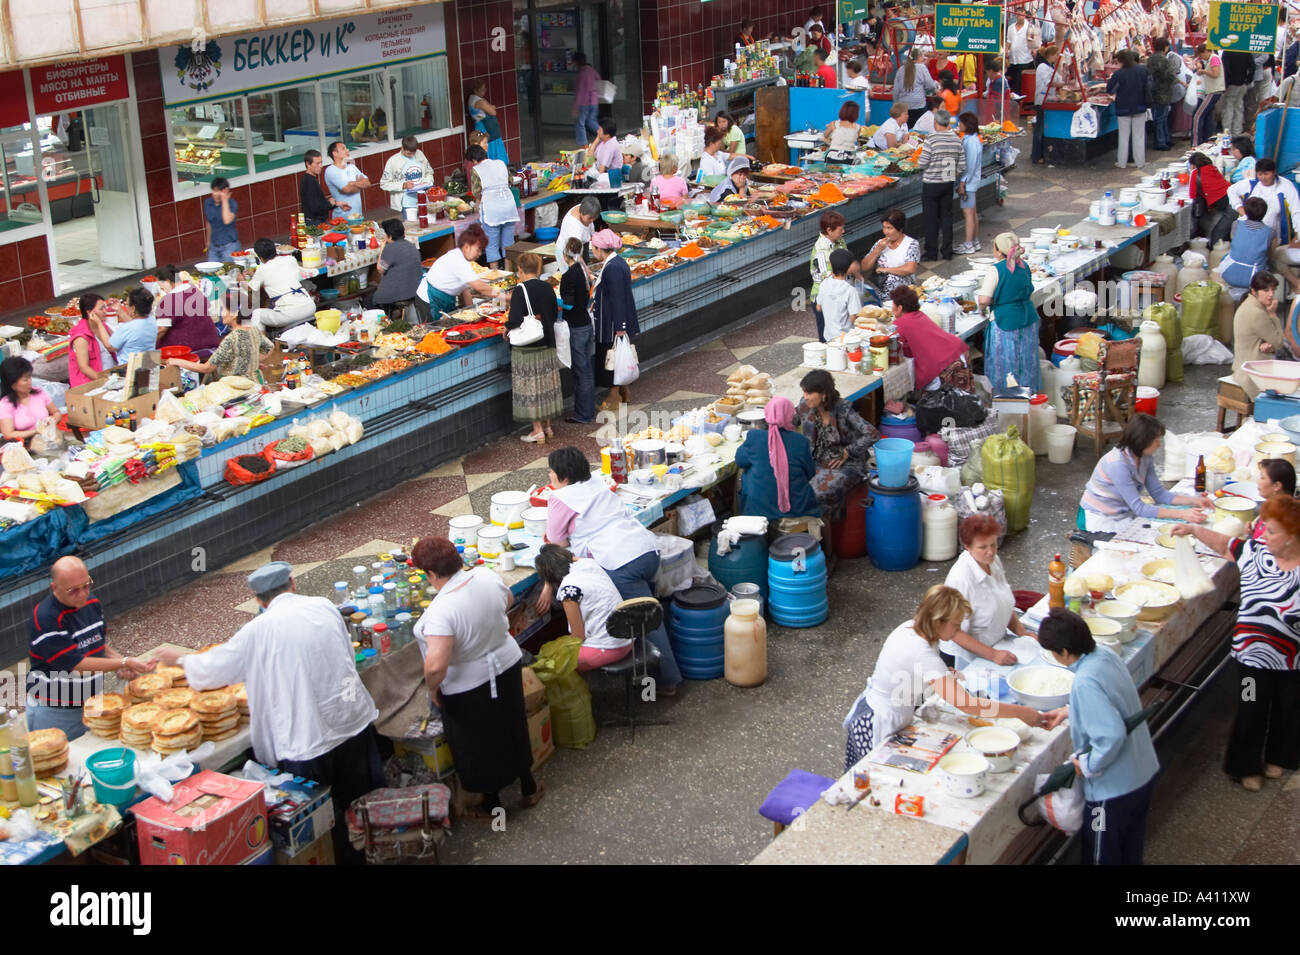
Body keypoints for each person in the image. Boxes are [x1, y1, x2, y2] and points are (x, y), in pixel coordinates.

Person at [158, 562, 383, 864]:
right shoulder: (323, 605)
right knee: (364, 803)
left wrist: (181, 660)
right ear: (292, 582)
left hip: (307, 741)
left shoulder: (257, 631)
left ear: (257, 599)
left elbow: (213, 670)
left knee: (321, 822)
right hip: (351, 720)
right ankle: (378, 851)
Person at [843, 585, 1063, 769]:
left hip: (874, 710)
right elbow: (967, 704)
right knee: (868, 782)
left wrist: (941, 677)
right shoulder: (923, 652)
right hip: (877, 723)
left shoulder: (909, 628)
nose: (959, 630)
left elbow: (904, 672)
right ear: (938, 622)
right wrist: (1020, 712)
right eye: (956, 625)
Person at [410, 537, 543, 820]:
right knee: (512, 726)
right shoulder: (485, 576)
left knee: (478, 743)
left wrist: (433, 690)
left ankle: (492, 805)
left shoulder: (441, 611)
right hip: (506, 663)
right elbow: (507, 600)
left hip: (469, 685)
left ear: (431, 574)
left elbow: (436, 665)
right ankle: (528, 786)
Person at [1177, 498, 1300, 792]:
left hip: (1293, 661)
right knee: (1251, 709)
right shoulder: (1256, 553)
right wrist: (1193, 529)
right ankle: (1245, 766)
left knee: (1289, 709)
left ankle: (1277, 757)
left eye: (1271, 532)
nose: (1264, 536)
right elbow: (1224, 544)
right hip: (1250, 658)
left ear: (1292, 536)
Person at [544, 446, 682, 692]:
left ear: (563, 477)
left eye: (551, 473)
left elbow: (557, 542)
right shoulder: (597, 482)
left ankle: (668, 681)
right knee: (652, 610)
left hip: (621, 562)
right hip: (647, 550)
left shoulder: (561, 498)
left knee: (645, 621)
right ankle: (652, 668)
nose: (550, 477)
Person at [1038, 608, 1160, 864]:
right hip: (1143, 771)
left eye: (1053, 651)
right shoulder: (1104, 654)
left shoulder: (1084, 682)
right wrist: (1071, 709)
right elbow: (1113, 699)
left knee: (1101, 858)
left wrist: (1087, 765)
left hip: (1113, 791)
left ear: (1064, 652)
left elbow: (1111, 735)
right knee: (1129, 852)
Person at [27, 556, 153, 739]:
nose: (82, 594)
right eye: (73, 590)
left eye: (86, 585)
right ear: (55, 588)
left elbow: (98, 644)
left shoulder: (92, 603)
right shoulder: (46, 619)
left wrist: (122, 663)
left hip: (91, 701)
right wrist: (123, 662)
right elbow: (76, 664)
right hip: (56, 710)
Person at [1079, 413, 1214, 532]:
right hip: (1099, 516)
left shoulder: (1144, 457)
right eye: (1156, 441)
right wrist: (1182, 514)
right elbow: (1140, 508)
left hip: (1123, 512)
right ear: (1142, 441)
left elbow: (1159, 494)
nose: (1159, 445)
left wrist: (1195, 501)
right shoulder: (1117, 464)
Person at [941, 515, 1033, 668]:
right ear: (967, 547)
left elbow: (1002, 601)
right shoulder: (960, 579)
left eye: (993, 544)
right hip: (965, 658)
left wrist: (1022, 632)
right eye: (983, 547)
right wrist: (993, 655)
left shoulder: (992, 560)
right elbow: (954, 632)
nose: (990, 552)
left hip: (996, 644)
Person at [795, 368, 880, 520]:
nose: (805, 397)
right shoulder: (805, 406)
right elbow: (789, 420)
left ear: (824, 394)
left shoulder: (844, 409)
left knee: (814, 493)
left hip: (846, 465)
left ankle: (823, 530)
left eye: (809, 393)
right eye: (804, 392)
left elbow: (872, 434)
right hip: (815, 461)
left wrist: (848, 451)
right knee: (791, 487)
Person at [535, 544, 632, 671]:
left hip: (610, 648)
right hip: (627, 637)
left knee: (554, 665)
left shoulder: (568, 591)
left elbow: (578, 637)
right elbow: (573, 558)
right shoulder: (589, 564)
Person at [506, 253, 562, 444]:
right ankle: (548, 427)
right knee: (546, 387)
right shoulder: (547, 287)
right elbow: (554, 313)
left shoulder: (520, 290)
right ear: (538, 269)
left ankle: (537, 430)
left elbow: (514, 319)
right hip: (547, 343)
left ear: (520, 269)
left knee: (531, 390)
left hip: (528, 349)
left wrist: (506, 329)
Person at [735, 396, 820, 520]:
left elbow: (740, 461)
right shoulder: (800, 441)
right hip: (799, 508)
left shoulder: (754, 436)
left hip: (759, 511)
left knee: (746, 472)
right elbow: (810, 473)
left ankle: (738, 515)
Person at [976, 232, 1041, 393]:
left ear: (998, 251)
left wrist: (988, 304)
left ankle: (1007, 399)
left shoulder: (996, 270)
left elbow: (984, 299)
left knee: (1005, 365)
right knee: (1026, 361)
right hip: (1027, 318)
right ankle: (1028, 396)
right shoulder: (1023, 265)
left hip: (1006, 321)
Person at [1227, 158, 1300, 284]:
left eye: (1266, 174)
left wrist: (1298, 236)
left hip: (1272, 236)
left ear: (1274, 172)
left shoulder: (1285, 186)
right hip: (1249, 233)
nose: (1263, 178)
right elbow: (1231, 190)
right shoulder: (1251, 183)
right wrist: (1240, 208)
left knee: (1272, 258)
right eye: (1260, 174)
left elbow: (1296, 211)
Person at [167, 295, 272, 380]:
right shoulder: (253, 330)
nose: (221, 314)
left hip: (237, 388)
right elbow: (269, 347)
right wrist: (252, 362)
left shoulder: (231, 339)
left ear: (234, 314)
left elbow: (206, 368)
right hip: (256, 383)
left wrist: (177, 361)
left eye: (223, 310)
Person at [590, 228, 639, 407]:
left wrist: (620, 326)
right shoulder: (616, 263)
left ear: (599, 248)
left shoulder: (612, 268)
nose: (592, 251)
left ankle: (614, 396)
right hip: (612, 321)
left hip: (611, 323)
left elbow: (617, 298)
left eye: (593, 248)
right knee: (616, 356)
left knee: (611, 358)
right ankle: (623, 390)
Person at [890, 285, 972, 390]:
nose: (892, 309)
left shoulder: (900, 323)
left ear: (900, 308)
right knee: (964, 397)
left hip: (946, 362)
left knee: (951, 401)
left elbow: (896, 347)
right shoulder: (920, 314)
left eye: (893, 305)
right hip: (958, 350)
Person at [417, 225, 504, 314]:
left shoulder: (464, 260)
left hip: (444, 298)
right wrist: (506, 297)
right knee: (437, 326)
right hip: (430, 298)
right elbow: (480, 287)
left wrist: (471, 311)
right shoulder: (458, 259)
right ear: (467, 247)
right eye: (478, 250)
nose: (479, 254)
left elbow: (465, 290)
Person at [917, 109, 964, 262]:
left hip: (931, 184)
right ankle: (947, 251)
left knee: (931, 220)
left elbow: (922, 163)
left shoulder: (931, 139)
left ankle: (931, 252)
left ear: (936, 122)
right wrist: (952, 173)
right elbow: (962, 165)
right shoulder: (956, 139)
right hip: (948, 184)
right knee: (947, 218)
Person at [242, 237, 316, 331]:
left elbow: (250, 289)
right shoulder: (290, 259)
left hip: (290, 314)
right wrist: (255, 275)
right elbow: (278, 273)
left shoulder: (262, 269)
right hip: (310, 307)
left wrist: (241, 280)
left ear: (260, 257)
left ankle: (263, 344)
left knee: (257, 314)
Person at [1232, 273, 1287, 399]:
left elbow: (1263, 338)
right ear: (1254, 291)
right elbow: (1279, 342)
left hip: (1241, 368)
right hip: (1251, 376)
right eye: (1266, 290)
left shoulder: (1247, 304)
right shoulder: (1257, 313)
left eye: (1273, 290)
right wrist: (1273, 315)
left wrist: (1269, 345)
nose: (1271, 294)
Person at [559, 238, 596, 424]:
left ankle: (583, 413)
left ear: (566, 255)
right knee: (586, 369)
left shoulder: (568, 276)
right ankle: (588, 408)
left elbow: (568, 304)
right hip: (587, 324)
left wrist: (555, 301)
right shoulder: (583, 271)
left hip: (576, 328)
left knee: (581, 371)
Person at [468, 145, 520, 270]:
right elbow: (510, 180)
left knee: (491, 245)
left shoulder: (476, 170)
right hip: (508, 206)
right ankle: (509, 273)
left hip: (492, 210)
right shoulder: (500, 163)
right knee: (508, 244)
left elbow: (476, 192)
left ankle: (496, 275)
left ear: (474, 160)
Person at [154, 265, 220, 357]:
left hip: (188, 348)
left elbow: (161, 329)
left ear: (167, 282)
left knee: (149, 357)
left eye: (160, 285)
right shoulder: (193, 289)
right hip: (209, 341)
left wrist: (148, 345)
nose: (161, 289)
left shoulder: (169, 300)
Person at [364, 218, 424, 313]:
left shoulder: (390, 249)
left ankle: (386, 321)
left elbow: (380, 269)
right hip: (414, 291)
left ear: (390, 236)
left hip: (398, 294)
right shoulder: (411, 245)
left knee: (368, 301)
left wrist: (382, 249)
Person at [1217, 197, 1275, 292]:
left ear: (1246, 211)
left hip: (1228, 272)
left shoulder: (1236, 224)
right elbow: (1271, 256)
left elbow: (1234, 243)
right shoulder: (1271, 233)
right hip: (1254, 278)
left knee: (1228, 255)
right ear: (1265, 213)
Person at [810, 210, 852, 342]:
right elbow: (826, 278)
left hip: (841, 293)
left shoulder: (839, 240)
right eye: (841, 229)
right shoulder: (821, 250)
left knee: (843, 335)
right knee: (827, 338)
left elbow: (847, 260)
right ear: (829, 230)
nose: (843, 231)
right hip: (825, 298)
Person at [861, 208, 919, 297]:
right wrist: (877, 250)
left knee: (893, 279)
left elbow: (910, 269)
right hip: (880, 286)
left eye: (889, 228)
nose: (885, 232)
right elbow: (864, 267)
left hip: (902, 289)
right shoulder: (880, 244)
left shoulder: (911, 244)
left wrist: (886, 270)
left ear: (900, 229)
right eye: (884, 227)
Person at [0, 356, 58, 444]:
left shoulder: (40, 393)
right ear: (12, 384)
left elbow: (56, 412)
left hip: (48, 438)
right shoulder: (5, 404)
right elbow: (8, 434)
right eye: (25, 380)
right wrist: (36, 431)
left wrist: (53, 420)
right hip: (24, 445)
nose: (30, 382)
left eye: (30, 377)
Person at [1108, 49, 1149, 170]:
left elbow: (1110, 89)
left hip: (1123, 108)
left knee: (1123, 137)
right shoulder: (1143, 70)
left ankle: (1122, 163)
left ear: (1120, 61)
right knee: (1139, 136)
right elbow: (1148, 86)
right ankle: (1140, 162)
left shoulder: (1118, 74)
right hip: (1140, 106)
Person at [378, 135, 435, 212]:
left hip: (425, 200)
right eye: (408, 153)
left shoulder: (419, 154)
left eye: (413, 153)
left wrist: (427, 181)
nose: (411, 155)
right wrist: (403, 185)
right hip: (407, 204)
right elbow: (384, 184)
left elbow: (429, 172)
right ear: (402, 148)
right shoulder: (392, 161)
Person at [1188, 151, 1233, 245]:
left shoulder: (1196, 173)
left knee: (1217, 236)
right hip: (1231, 196)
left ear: (1193, 165)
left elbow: (1192, 195)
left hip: (1230, 205)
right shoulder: (1212, 168)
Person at [68, 293, 110, 388]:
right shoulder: (81, 337)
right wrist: (104, 381)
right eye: (101, 309)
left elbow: (113, 346)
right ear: (89, 312)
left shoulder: (102, 325)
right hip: (89, 383)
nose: (105, 311)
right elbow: (84, 367)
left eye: (105, 307)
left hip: (108, 375)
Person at [816, 249, 860, 340]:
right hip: (845, 337)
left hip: (829, 335)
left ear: (831, 265)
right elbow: (853, 317)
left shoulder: (824, 283)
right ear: (849, 268)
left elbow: (818, 308)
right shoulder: (850, 290)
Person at [955, 112, 982, 254]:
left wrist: (962, 183)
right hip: (973, 181)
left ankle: (968, 244)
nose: (958, 125)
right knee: (973, 212)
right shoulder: (974, 139)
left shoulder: (970, 142)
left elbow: (970, 164)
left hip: (969, 183)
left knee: (968, 213)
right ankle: (975, 241)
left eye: (960, 123)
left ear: (966, 124)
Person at [108, 287, 158, 363]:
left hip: (130, 369)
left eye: (126, 304)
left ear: (133, 308)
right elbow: (136, 324)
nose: (125, 306)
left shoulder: (127, 327)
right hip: (150, 364)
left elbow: (110, 347)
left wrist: (99, 323)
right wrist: (119, 310)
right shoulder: (152, 321)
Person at [1031, 45, 1062, 165]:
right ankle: (1036, 156)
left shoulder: (1051, 67)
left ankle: (1041, 154)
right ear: (1052, 55)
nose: (1058, 57)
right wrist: (1064, 83)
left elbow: (1057, 79)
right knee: (1039, 130)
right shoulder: (1042, 67)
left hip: (1048, 100)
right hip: (1041, 101)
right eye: (1057, 55)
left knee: (1043, 129)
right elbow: (1050, 83)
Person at [324, 141, 371, 217]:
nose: (347, 150)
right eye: (343, 149)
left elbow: (368, 183)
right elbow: (347, 190)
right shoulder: (331, 170)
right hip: (343, 217)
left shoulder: (352, 167)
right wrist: (359, 185)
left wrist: (352, 183)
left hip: (358, 216)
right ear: (335, 153)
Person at [892, 48, 936, 128]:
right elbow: (931, 85)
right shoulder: (922, 68)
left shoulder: (900, 69)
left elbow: (896, 91)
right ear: (919, 57)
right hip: (919, 106)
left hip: (903, 107)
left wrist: (896, 104)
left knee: (905, 130)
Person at [466, 80, 508, 163]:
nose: (484, 92)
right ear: (475, 91)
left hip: (483, 125)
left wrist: (490, 107)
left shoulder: (473, 98)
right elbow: (493, 112)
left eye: (485, 89)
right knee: (489, 147)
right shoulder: (479, 101)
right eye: (482, 90)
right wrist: (491, 107)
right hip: (486, 127)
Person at [1148, 38, 1178, 151]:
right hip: (1162, 92)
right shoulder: (1162, 59)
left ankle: (1165, 139)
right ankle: (1161, 141)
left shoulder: (1151, 58)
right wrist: (1176, 80)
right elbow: (1167, 75)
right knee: (1161, 117)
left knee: (1161, 117)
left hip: (1155, 91)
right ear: (1165, 47)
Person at [299, 149, 343, 225]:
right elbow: (315, 207)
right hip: (314, 223)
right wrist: (330, 203)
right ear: (308, 164)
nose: (321, 166)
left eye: (321, 162)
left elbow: (317, 201)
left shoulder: (310, 179)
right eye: (317, 163)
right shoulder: (309, 181)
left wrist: (335, 203)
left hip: (315, 221)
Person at [556, 197, 600, 273]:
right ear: (581, 213)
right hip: (568, 252)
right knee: (571, 276)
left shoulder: (585, 208)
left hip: (581, 245)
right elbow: (577, 256)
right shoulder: (575, 228)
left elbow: (592, 233)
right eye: (590, 218)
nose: (592, 221)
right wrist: (586, 270)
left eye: (594, 218)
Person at [1194, 44, 1225, 146]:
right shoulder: (1213, 58)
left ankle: (1196, 142)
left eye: (1202, 55)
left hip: (1214, 90)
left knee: (1198, 116)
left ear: (1206, 51)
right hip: (1214, 90)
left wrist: (1203, 71)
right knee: (1207, 116)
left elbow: (1215, 73)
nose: (1202, 58)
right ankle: (1206, 140)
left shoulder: (1214, 58)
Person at [203, 177, 240, 263]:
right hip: (213, 247)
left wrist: (225, 201)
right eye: (215, 191)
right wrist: (208, 240)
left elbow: (227, 220)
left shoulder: (232, 204)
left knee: (229, 274)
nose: (217, 194)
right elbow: (209, 222)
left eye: (221, 191)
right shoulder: (208, 202)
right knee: (212, 273)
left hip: (229, 247)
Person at [1222, 49, 1254, 138]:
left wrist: (1226, 83)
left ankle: (1226, 132)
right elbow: (1252, 66)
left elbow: (1225, 68)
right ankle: (1237, 132)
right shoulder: (1245, 51)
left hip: (1231, 83)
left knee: (1228, 107)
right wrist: (1248, 80)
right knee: (1239, 107)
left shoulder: (1227, 51)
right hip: (1243, 82)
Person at [571, 52, 601, 146]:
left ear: (576, 62)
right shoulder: (591, 70)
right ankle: (605, 135)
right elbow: (598, 78)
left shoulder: (581, 74)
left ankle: (584, 144)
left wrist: (575, 108)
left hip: (584, 102)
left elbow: (580, 92)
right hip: (594, 101)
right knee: (591, 120)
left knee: (581, 123)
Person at [1005, 9, 1039, 94]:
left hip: (1025, 59)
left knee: (1019, 83)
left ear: (1025, 16)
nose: (1019, 16)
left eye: (1022, 15)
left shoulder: (1030, 27)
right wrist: (1006, 50)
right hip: (1013, 59)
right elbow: (1009, 41)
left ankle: (1017, 99)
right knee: (1012, 81)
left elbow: (1033, 41)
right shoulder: (1011, 28)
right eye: (1018, 15)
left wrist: (1034, 50)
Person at [585, 118, 622, 183]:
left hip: (611, 178)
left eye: (599, 130)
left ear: (607, 135)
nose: (597, 131)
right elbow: (589, 159)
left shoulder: (611, 145)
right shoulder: (604, 142)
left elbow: (602, 169)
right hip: (602, 173)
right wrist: (597, 139)